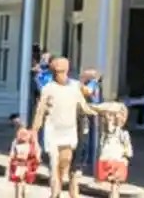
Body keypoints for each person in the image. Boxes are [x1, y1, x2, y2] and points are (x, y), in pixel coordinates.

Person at [31, 57, 110, 198]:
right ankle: (55, 192)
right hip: (53, 131)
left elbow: (84, 107)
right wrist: (34, 132)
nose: (59, 74)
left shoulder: (75, 86)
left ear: (67, 70)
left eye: (62, 71)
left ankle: (59, 184)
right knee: (54, 163)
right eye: (56, 71)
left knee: (65, 163)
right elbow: (40, 111)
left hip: (69, 131)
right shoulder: (48, 89)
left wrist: (102, 111)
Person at [95, 102, 133, 198]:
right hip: (114, 159)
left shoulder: (120, 134)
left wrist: (126, 157)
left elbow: (127, 148)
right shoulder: (117, 133)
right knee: (115, 185)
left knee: (114, 185)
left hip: (113, 159)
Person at [79, 68, 103, 177]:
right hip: (87, 115)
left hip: (92, 115)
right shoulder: (89, 85)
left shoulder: (93, 86)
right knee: (86, 139)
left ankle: (90, 163)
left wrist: (91, 81)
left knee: (91, 140)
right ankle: (87, 162)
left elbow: (90, 94)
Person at [6, 126, 42, 197]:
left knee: (24, 184)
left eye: (25, 134)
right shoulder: (16, 142)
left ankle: (24, 193)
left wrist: (38, 158)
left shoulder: (32, 143)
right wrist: (10, 159)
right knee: (18, 183)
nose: (23, 136)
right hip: (18, 164)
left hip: (27, 164)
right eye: (21, 134)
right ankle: (18, 195)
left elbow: (38, 150)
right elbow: (12, 152)